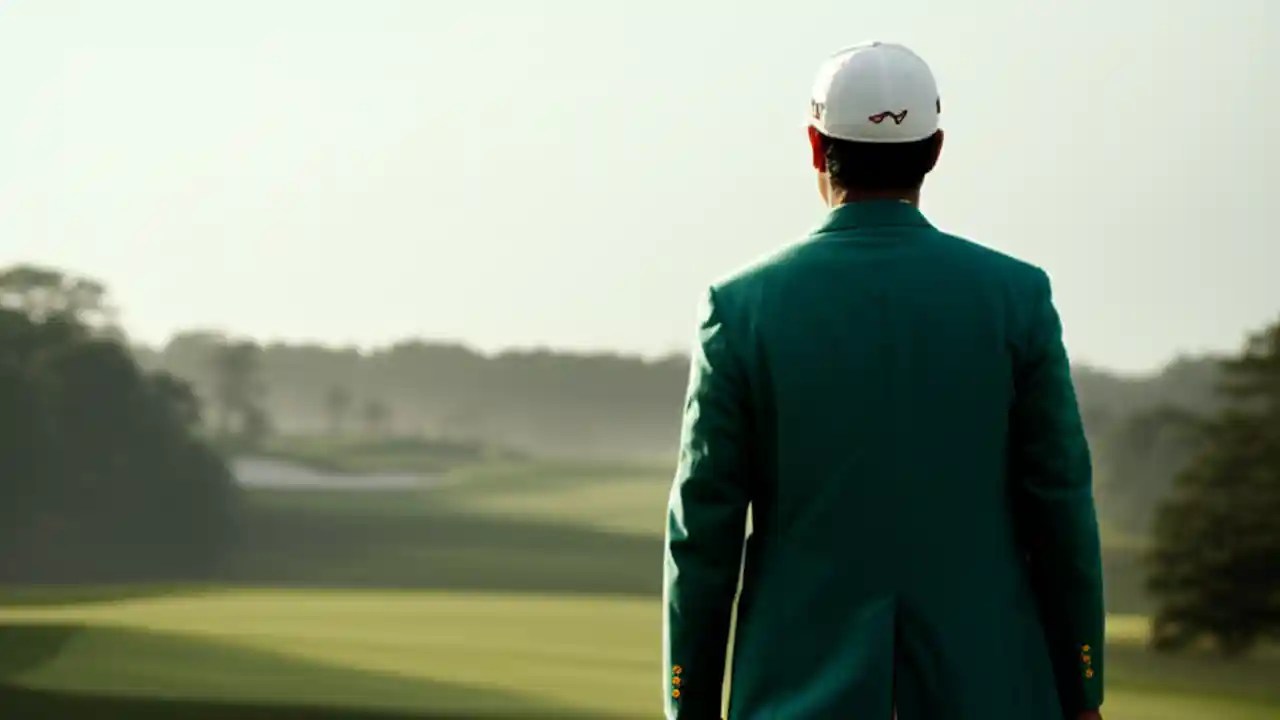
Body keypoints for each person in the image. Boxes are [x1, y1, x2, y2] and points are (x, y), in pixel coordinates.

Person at [662, 41, 1105, 720]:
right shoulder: (1016, 297)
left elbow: (704, 531)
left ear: (815, 144)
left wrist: (687, 706)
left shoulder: (740, 308)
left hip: (795, 699)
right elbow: (1060, 508)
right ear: (934, 149)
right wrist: (1083, 692)